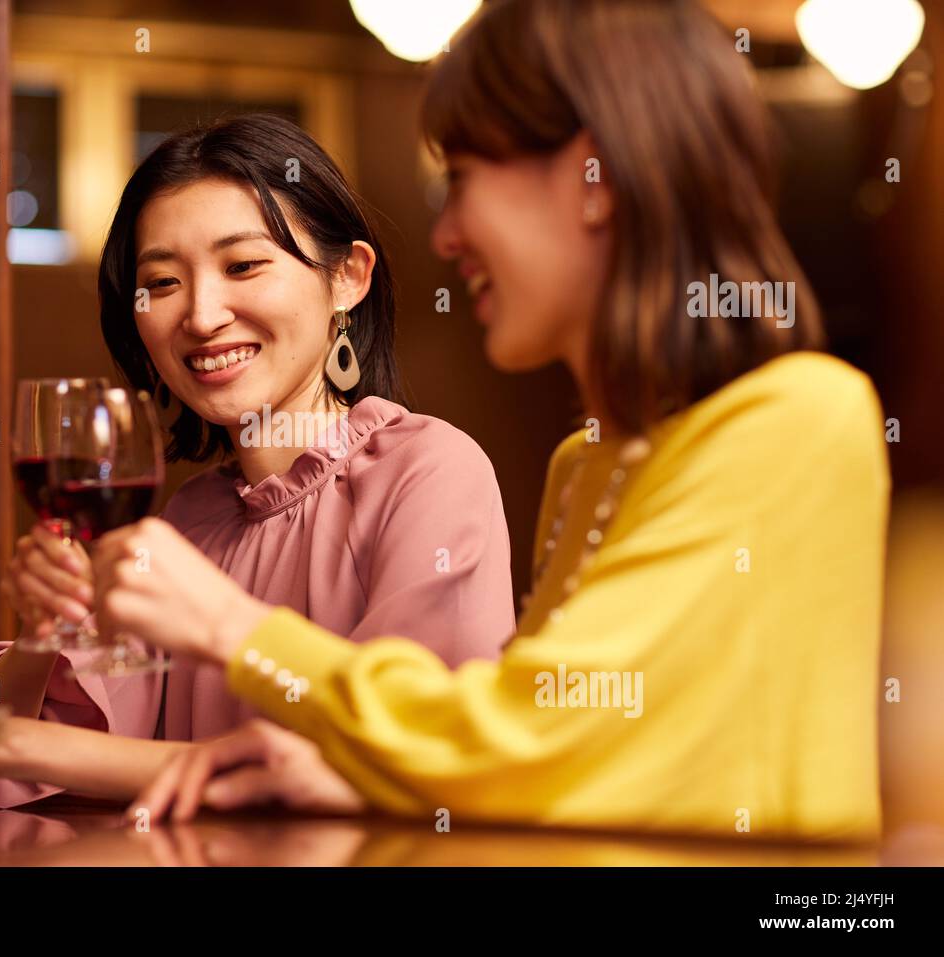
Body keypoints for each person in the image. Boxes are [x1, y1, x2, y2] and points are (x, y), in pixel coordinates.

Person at [78, 0, 890, 840]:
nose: (447, 232)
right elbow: (540, 741)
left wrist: (228, 624)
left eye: (460, 179)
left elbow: (533, 742)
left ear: (595, 178)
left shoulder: (797, 418)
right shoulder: (588, 463)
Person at [0, 114, 514, 805]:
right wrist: (47, 634)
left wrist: (2, 741)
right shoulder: (186, 524)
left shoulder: (429, 473)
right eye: (162, 281)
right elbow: (36, 773)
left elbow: (404, 764)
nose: (203, 315)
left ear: (347, 278)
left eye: (243, 265)